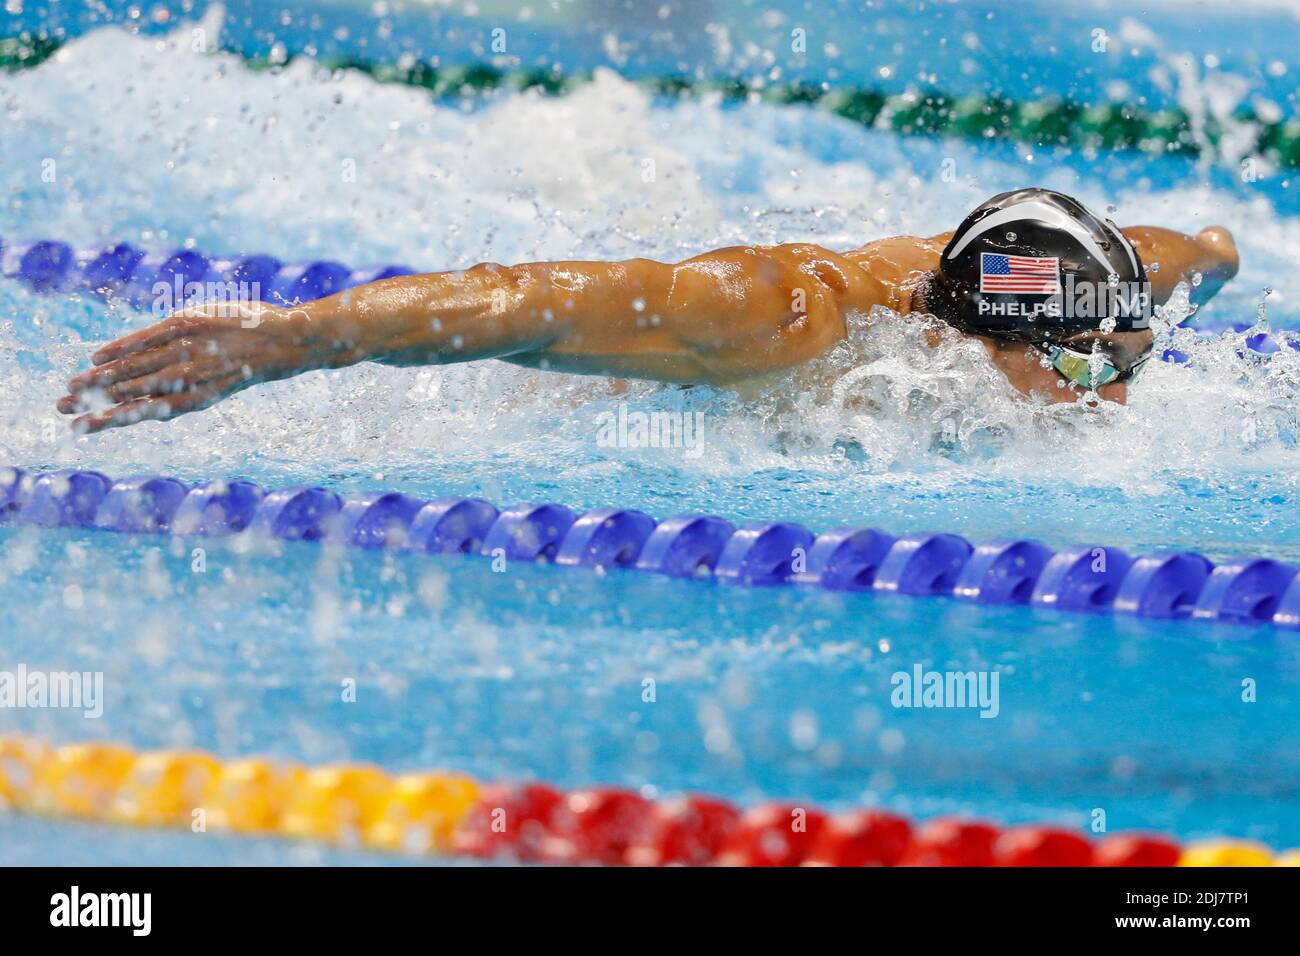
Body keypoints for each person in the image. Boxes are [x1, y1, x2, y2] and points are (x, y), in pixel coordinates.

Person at [59, 188, 1239, 433]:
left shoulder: (1105, 279)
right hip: (617, 379)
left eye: (1124, 356)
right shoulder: (779, 318)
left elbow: (1211, 248)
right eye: (1090, 373)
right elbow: (522, 303)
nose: (1114, 393)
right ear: (970, 337)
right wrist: (287, 338)